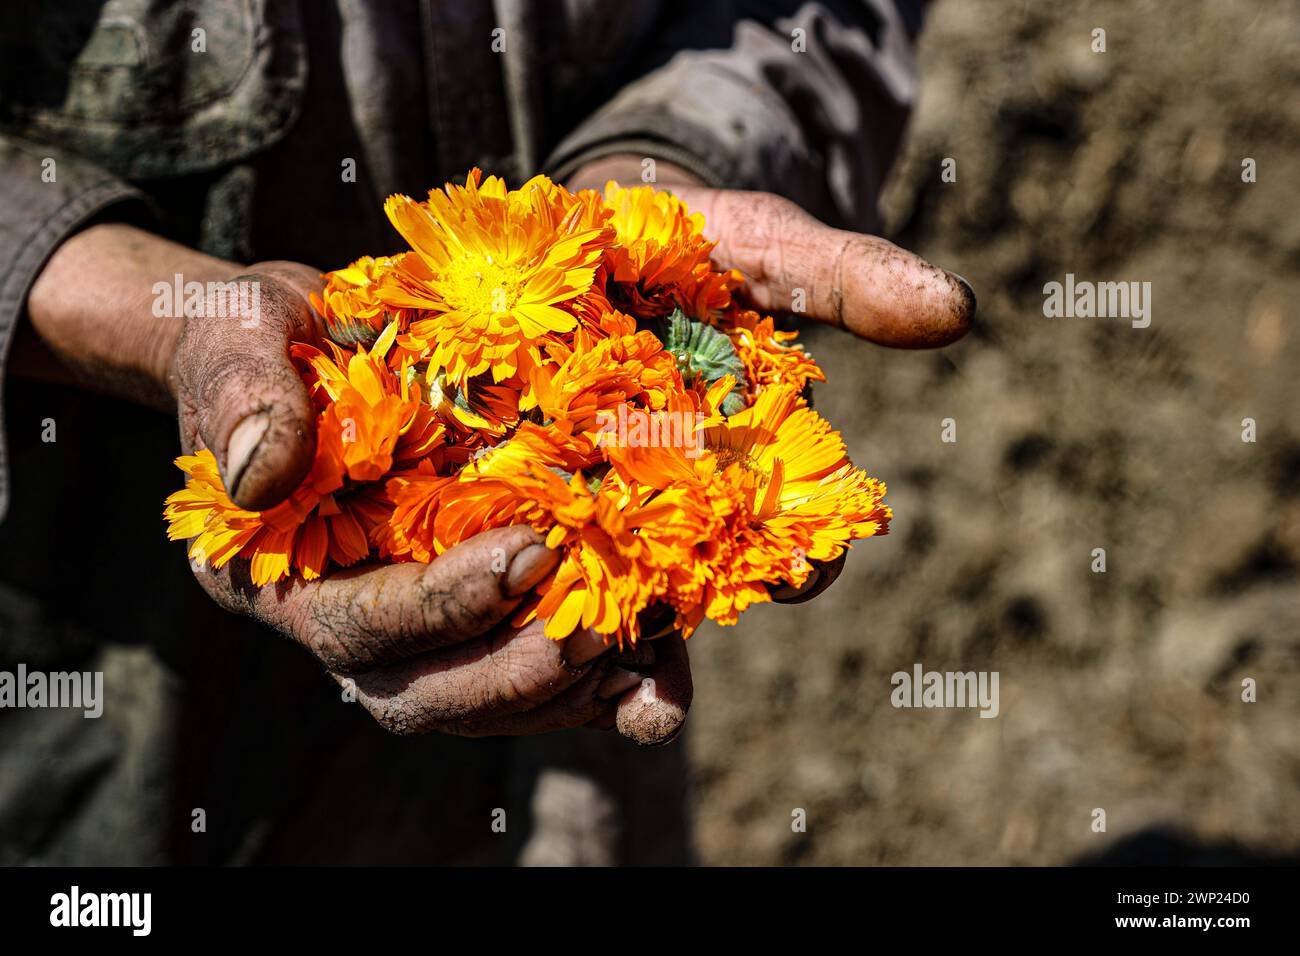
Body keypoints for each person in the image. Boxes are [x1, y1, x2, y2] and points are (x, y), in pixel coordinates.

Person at [0, 0, 970, 864]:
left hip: (578, 682)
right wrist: (171, 320)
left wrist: (661, 175)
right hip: (100, 619)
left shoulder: (637, 431)